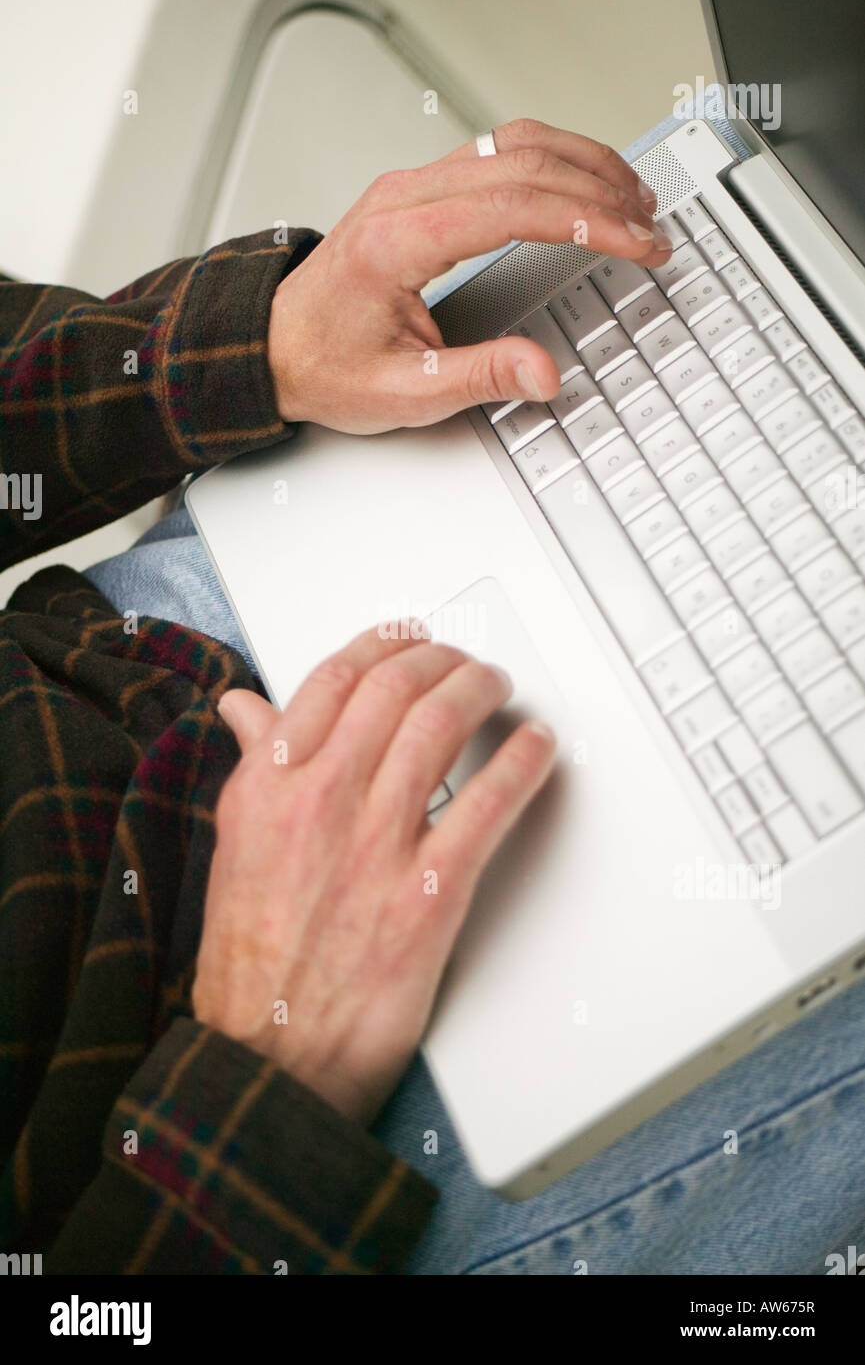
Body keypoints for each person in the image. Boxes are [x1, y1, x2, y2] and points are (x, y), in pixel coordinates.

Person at [0, 120, 676, 1273]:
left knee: (693, 237)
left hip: (149, 655)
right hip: (252, 1146)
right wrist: (261, 1069)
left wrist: (251, 340)